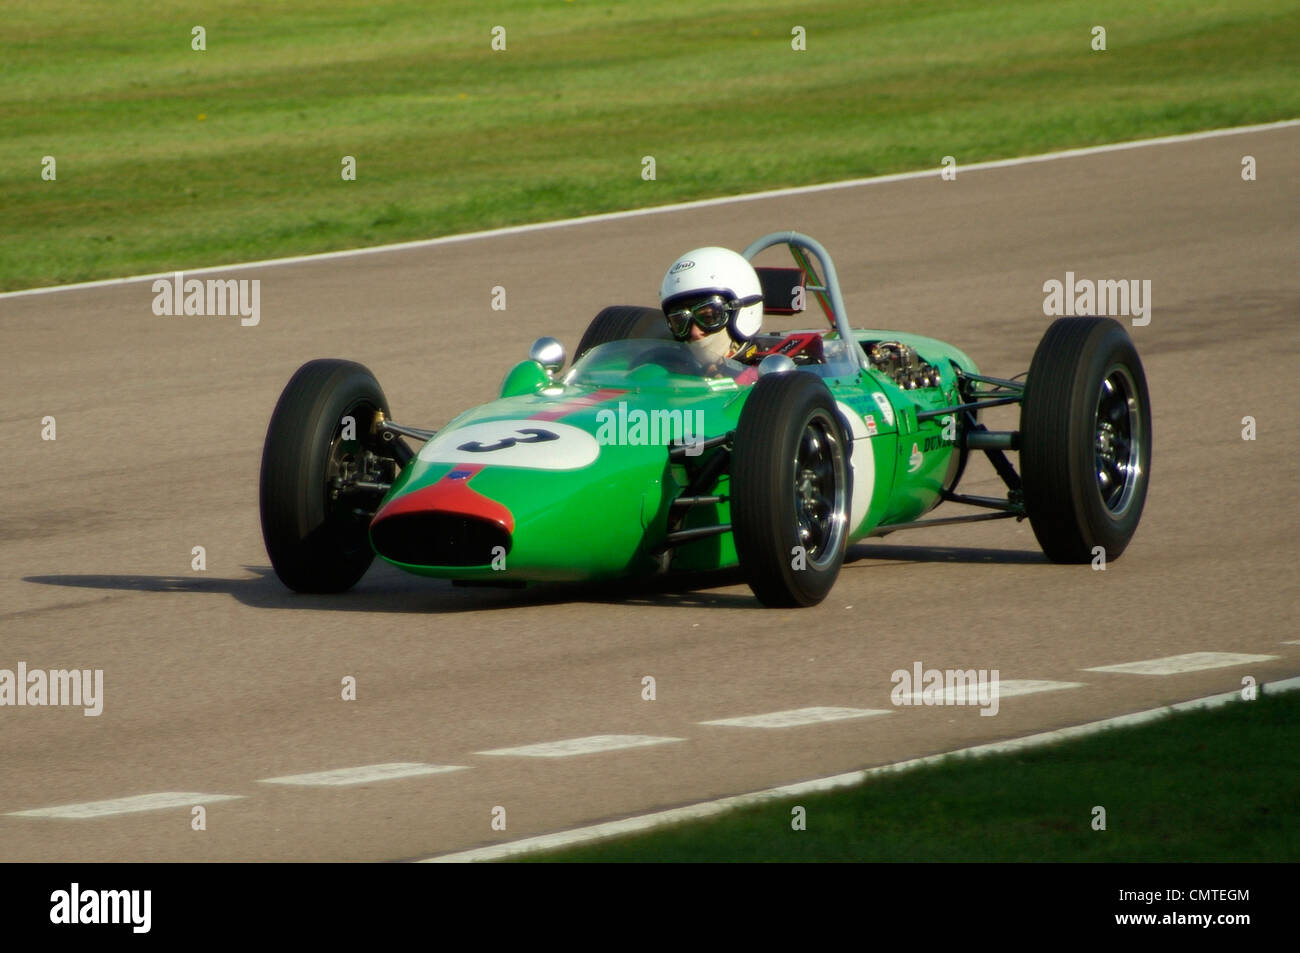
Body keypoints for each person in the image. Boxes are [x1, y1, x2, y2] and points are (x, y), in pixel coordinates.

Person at [659, 247, 764, 377]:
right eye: (680, 321)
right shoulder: (669, 369)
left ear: (741, 312)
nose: (695, 332)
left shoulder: (767, 374)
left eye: (708, 317)